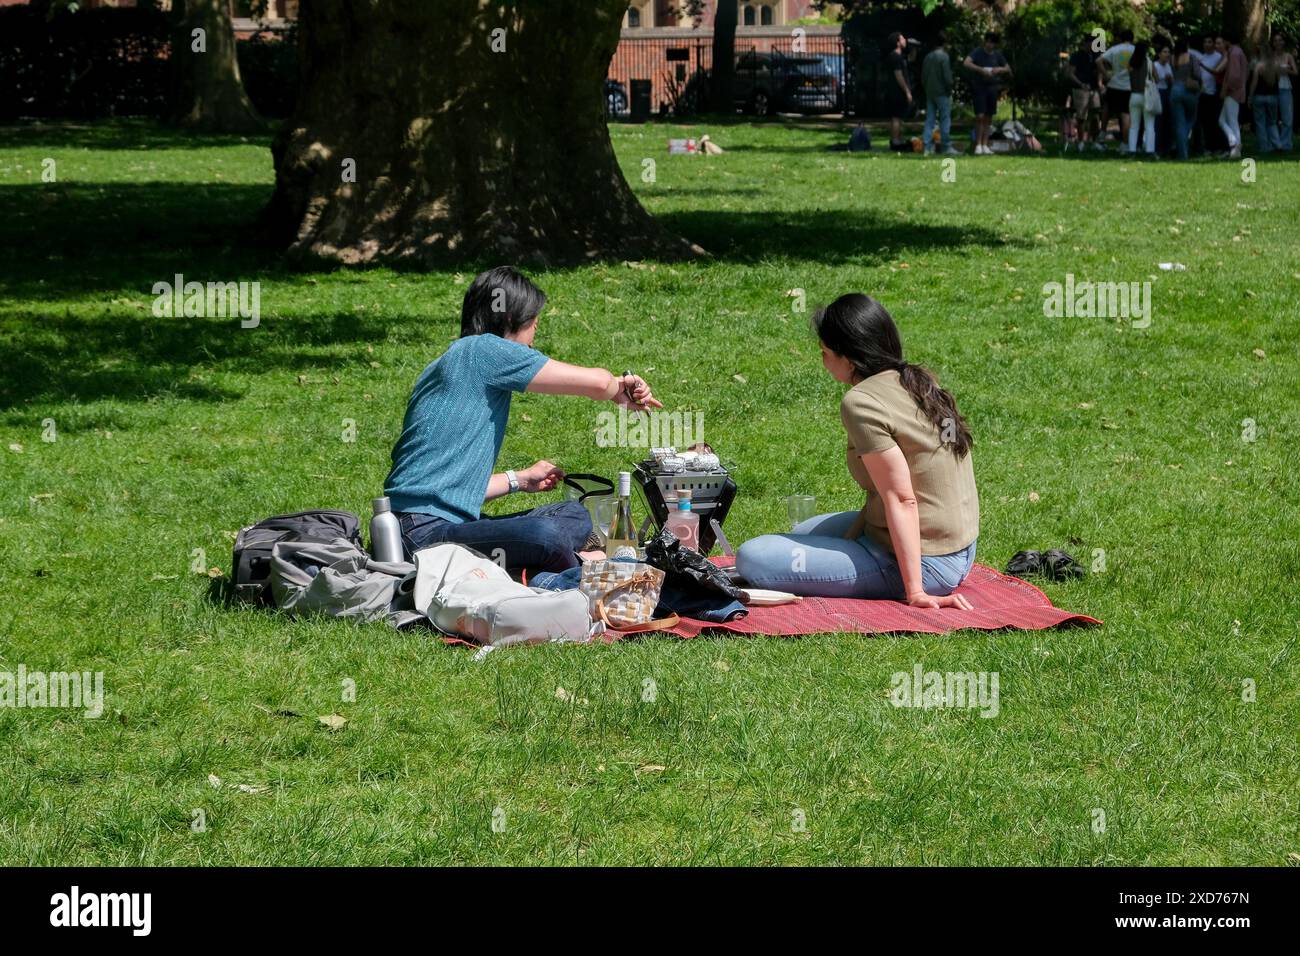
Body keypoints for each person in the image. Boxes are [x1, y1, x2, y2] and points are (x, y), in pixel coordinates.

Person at [385, 266, 661, 572]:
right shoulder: (483, 350)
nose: (532, 342)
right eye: (533, 327)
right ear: (508, 319)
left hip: (434, 525)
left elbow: (447, 490)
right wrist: (619, 385)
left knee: (572, 515)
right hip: (423, 535)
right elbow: (596, 383)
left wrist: (518, 479)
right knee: (544, 535)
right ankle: (579, 575)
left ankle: (560, 565)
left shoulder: (450, 362)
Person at [735, 294, 978, 607]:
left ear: (848, 359)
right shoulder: (917, 381)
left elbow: (902, 498)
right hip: (957, 547)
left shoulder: (861, 402)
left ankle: (905, 577)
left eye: (824, 352)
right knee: (805, 531)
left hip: (929, 562)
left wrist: (915, 591)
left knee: (754, 558)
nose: (821, 360)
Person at [964, 32, 1011, 155]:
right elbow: (966, 63)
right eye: (988, 41)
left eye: (992, 42)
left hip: (992, 88)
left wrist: (999, 69)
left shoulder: (998, 55)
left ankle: (985, 144)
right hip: (979, 87)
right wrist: (980, 70)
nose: (990, 44)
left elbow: (1008, 68)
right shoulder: (978, 52)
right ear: (985, 42)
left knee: (988, 117)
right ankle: (978, 144)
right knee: (980, 116)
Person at [1098, 29, 1136, 151]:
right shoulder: (1135, 50)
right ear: (1132, 39)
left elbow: (1098, 61)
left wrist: (1106, 75)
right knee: (1126, 115)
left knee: (1107, 109)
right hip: (1128, 86)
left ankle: (1102, 135)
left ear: (1120, 38)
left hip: (1114, 84)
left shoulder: (1115, 49)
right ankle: (1125, 144)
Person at [921, 32, 958, 155]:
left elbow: (923, 76)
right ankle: (946, 146)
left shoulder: (928, 57)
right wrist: (949, 88)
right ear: (944, 43)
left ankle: (926, 147)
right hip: (942, 92)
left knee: (930, 119)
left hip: (929, 92)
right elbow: (947, 77)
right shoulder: (944, 57)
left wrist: (926, 88)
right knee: (945, 119)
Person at [1190, 34, 1225, 153]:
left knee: (1214, 122)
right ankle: (1208, 147)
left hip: (1214, 93)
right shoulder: (1202, 57)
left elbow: (1217, 72)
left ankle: (1217, 146)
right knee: (1204, 122)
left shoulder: (1218, 57)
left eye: (1210, 42)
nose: (1207, 44)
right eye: (1205, 42)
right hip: (1203, 93)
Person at [1066, 38, 1102, 151]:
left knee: (1096, 115)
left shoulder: (1095, 56)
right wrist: (1081, 84)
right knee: (1082, 117)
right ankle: (1081, 142)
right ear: (1086, 43)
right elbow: (1070, 73)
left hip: (1093, 89)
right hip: (1081, 90)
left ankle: (1095, 141)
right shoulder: (1076, 56)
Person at [1216, 33, 1248, 158]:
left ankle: (1236, 147)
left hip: (1232, 92)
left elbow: (1234, 76)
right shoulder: (1238, 52)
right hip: (1236, 91)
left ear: (1227, 41)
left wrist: (1226, 89)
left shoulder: (1234, 53)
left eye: (1223, 42)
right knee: (1222, 120)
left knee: (1232, 120)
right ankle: (1234, 142)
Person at [1170, 38, 1202, 160]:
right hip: (1188, 90)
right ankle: (1183, 143)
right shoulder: (1191, 57)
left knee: (1179, 122)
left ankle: (1183, 154)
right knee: (1192, 118)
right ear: (1187, 46)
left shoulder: (1172, 58)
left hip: (1174, 90)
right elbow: (1198, 74)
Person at [1248, 42, 1283, 153]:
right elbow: (1279, 81)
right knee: (1272, 122)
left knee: (1260, 123)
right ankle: (1277, 143)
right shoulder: (1276, 65)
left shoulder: (1258, 66)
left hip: (1259, 97)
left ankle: (1264, 147)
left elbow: (1254, 83)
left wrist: (1250, 96)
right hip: (1273, 97)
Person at [1127, 41, 1158, 157]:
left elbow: (1128, 75)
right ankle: (1150, 151)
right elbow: (1157, 78)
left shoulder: (1131, 62)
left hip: (1134, 95)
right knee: (1149, 125)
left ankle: (1132, 151)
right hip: (1146, 95)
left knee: (1134, 125)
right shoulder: (1149, 62)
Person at [885, 32, 913, 150]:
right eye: (902, 39)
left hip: (896, 91)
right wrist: (906, 91)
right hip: (896, 92)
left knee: (898, 117)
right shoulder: (895, 57)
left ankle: (896, 139)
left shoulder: (899, 56)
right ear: (897, 43)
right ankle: (895, 141)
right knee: (896, 117)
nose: (904, 40)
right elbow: (898, 75)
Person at [1269, 32, 1295, 150]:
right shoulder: (1270, 56)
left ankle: (1286, 144)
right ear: (1273, 43)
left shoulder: (1288, 56)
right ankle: (1274, 143)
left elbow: (1295, 72)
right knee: (1272, 118)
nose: (1278, 42)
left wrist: (1285, 70)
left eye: (1280, 40)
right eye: (1275, 40)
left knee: (1287, 118)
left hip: (1285, 87)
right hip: (1272, 88)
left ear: (1283, 42)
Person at [1153, 40, 1175, 153]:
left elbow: (1171, 82)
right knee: (1158, 121)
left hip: (1167, 93)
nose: (1167, 54)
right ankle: (1156, 147)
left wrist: (1170, 80)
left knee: (1168, 120)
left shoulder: (1168, 66)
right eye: (1165, 52)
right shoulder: (1155, 65)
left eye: (1168, 52)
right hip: (1158, 93)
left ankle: (1166, 147)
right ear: (1159, 54)